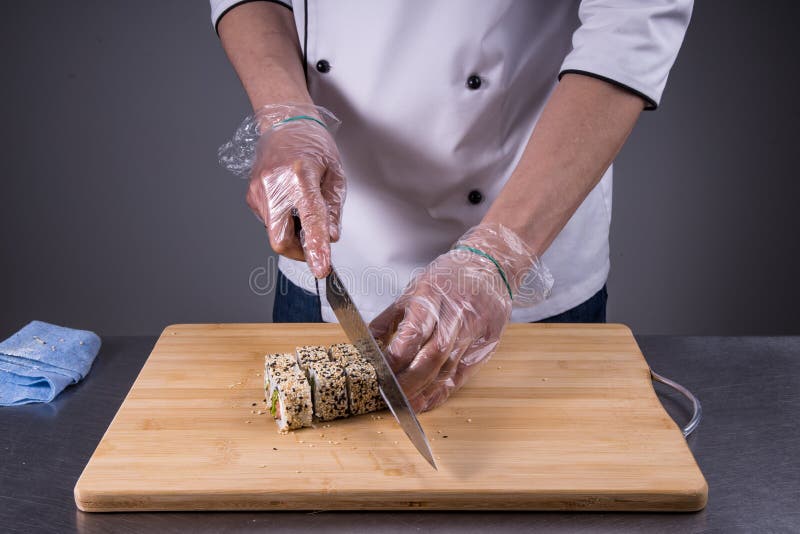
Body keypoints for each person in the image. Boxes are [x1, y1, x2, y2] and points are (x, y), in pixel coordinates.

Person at [212, 0, 692, 411]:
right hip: (334, 248)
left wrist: (500, 254)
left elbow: (633, 21)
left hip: (528, 251)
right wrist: (285, 114)